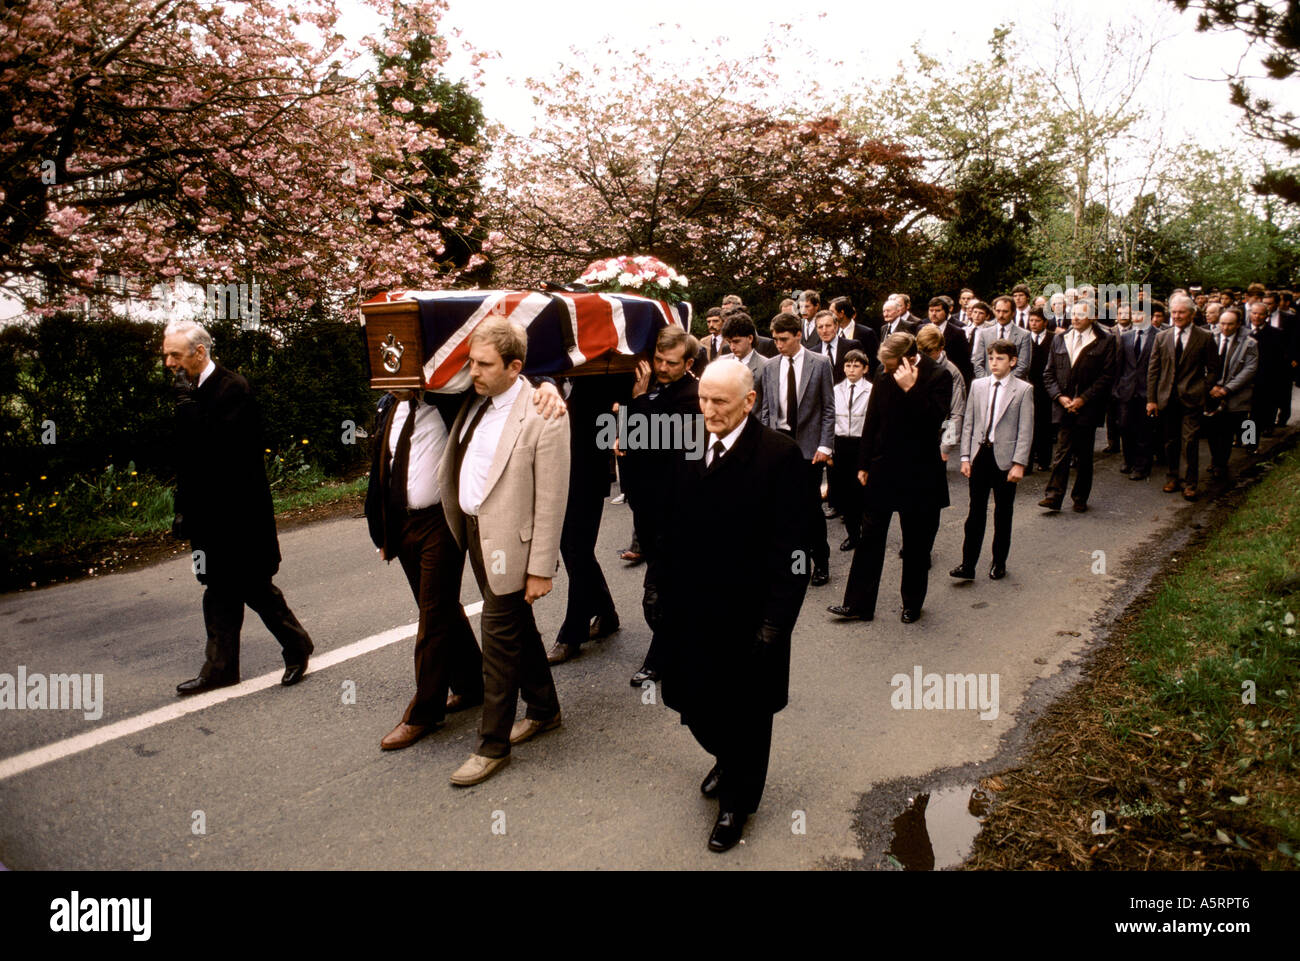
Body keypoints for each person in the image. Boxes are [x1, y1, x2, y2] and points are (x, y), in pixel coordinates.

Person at [656, 359, 810, 853]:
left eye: (719, 401)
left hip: (750, 614)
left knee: (747, 712)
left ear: (749, 401)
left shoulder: (779, 455)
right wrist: (656, 586)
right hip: (691, 607)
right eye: (703, 399)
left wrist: (776, 623)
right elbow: (668, 526)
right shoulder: (686, 444)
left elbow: (797, 548)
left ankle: (737, 805)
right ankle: (725, 755)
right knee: (690, 701)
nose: (708, 410)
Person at [438, 317, 571, 787]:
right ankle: (545, 709)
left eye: (484, 364)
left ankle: (490, 745)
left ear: (515, 367)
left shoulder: (545, 413)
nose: (472, 371)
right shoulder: (474, 400)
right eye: (471, 362)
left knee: (497, 641)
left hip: (513, 551)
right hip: (474, 534)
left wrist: (541, 569)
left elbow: (552, 500)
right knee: (517, 628)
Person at [162, 321, 314, 696]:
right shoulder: (189, 390)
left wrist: (186, 408)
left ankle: (296, 645)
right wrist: (182, 509)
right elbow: (188, 459)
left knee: (254, 587)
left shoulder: (234, 389)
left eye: (175, 355)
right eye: (166, 355)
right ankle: (221, 668)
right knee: (216, 589)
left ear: (200, 353)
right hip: (206, 515)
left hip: (240, 513)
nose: (168, 363)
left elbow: (222, 452)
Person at [830, 332, 952, 623]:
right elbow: (873, 419)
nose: (884, 370)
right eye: (882, 365)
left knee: (915, 544)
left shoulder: (938, 376)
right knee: (869, 537)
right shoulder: (884, 374)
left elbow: (933, 424)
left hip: (920, 472)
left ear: (910, 359)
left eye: (890, 365)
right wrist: (863, 462)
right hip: (883, 468)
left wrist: (912, 390)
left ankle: (912, 603)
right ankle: (858, 604)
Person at [623, 326, 701, 685]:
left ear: (688, 363)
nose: (662, 367)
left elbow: (659, 441)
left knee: (659, 592)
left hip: (678, 509)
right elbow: (626, 438)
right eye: (657, 359)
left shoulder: (693, 396)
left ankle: (661, 656)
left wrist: (638, 402)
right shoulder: (649, 387)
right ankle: (674, 647)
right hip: (648, 507)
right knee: (670, 584)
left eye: (671, 362)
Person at [546, 373, 628, 665]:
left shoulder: (600, 373)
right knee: (571, 547)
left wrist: (623, 430)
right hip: (553, 473)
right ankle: (607, 613)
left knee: (577, 548)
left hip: (588, 474)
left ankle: (572, 633)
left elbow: (628, 405)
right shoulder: (543, 377)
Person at [758, 312, 836, 587]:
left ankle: (821, 563)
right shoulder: (770, 367)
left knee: (810, 510)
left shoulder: (820, 363)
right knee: (781, 510)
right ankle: (794, 563)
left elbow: (828, 408)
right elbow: (766, 410)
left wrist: (826, 445)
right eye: (776, 340)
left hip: (809, 448)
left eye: (784, 339)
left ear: (798, 336)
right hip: (778, 445)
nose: (778, 345)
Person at [950, 339, 1034, 581]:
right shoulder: (978, 385)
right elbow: (969, 423)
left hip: (1005, 459)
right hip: (980, 454)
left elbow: (1025, 429)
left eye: (1000, 359)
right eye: (991, 358)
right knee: (975, 512)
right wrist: (965, 457)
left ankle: (999, 561)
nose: (994, 363)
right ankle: (968, 564)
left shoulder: (1023, 389)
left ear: (1012, 361)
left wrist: (1019, 463)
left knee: (1003, 512)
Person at [1039, 301, 1117, 513]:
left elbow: (1107, 376)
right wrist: (1059, 397)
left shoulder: (1105, 340)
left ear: (1092, 317)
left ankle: (1080, 497)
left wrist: (1084, 399)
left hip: (1088, 407)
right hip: (1064, 406)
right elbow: (1049, 373)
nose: (1075, 318)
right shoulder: (1060, 338)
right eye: (1073, 314)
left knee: (1083, 454)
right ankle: (1053, 496)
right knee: (1062, 452)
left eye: (1081, 315)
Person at [1147, 294, 1219, 502]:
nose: (1177, 316)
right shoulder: (1162, 337)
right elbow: (1153, 370)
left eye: (1182, 312)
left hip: (1192, 398)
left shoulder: (1204, 337)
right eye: (1174, 312)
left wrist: (1202, 388)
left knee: (1190, 441)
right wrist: (1152, 399)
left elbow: (1214, 369)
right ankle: (1172, 477)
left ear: (1192, 314)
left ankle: (1190, 483)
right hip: (1167, 398)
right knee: (1170, 441)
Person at [1207, 307, 1258, 480]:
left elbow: (1249, 369)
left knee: (1226, 431)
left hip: (1234, 394)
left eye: (1230, 324)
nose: (1225, 328)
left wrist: (1227, 389)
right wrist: (1210, 386)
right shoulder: (1209, 338)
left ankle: (1221, 463)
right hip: (1211, 392)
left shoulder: (1249, 343)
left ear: (1238, 324)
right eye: (1222, 323)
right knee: (1212, 430)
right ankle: (1215, 459)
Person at [831, 349, 872, 550]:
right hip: (841, 445)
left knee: (862, 492)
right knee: (845, 494)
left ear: (865, 369)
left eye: (856, 366)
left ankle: (867, 533)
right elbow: (829, 420)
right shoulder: (836, 390)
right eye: (848, 365)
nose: (851, 370)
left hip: (861, 444)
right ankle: (853, 534)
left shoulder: (872, 391)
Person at [1114, 310, 1156, 481]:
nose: (1137, 318)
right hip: (1127, 389)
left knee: (1144, 430)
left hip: (1147, 390)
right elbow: (1119, 363)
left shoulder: (1158, 336)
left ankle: (1141, 466)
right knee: (1125, 426)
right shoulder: (1126, 336)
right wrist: (1116, 387)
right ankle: (1128, 459)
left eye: (1142, 314)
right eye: (1135, 314)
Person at [916, 323, 965, 466]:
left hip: (936, 439)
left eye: (930, 352)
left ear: (940, 349)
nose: (925, 356)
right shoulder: (912, 365)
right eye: (921, 351)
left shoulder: (952, 372)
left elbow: (956, 413)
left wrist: (945, 447)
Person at [971, 296, 1031, 380]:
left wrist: (1005, 382)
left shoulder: (1024, 335)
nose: (1001, 315)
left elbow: (1023, 366)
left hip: (1013, 386)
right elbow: (978, 363)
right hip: (988, 384)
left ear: (1013, 313)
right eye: (998, 311)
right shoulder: (984, 333)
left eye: (1005, 312)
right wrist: (988, 382)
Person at [1025, 309, 1056, 472]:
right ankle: (1027, 462)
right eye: (1031, 321)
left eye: (1037, 321)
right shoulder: (1025, 338)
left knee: (1044, 425)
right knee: (1027, 424)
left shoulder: (1054, 338)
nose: (1034, 324)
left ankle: (1044, 460)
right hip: (1029, 385)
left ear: (1045, 322)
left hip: (1046, 388)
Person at [804, 309, 862, 384]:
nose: (824, 330)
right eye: (820, 327)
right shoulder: (811, 353)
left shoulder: (852, 346)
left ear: (836, 326)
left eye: (828, 326)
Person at [927, 296, 973, 389]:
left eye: (938, 310)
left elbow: (965, 362)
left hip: (950, 378)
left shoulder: (957, 332)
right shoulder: (921, 328)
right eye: (931, 310)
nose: (934, 314)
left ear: (946, 312)